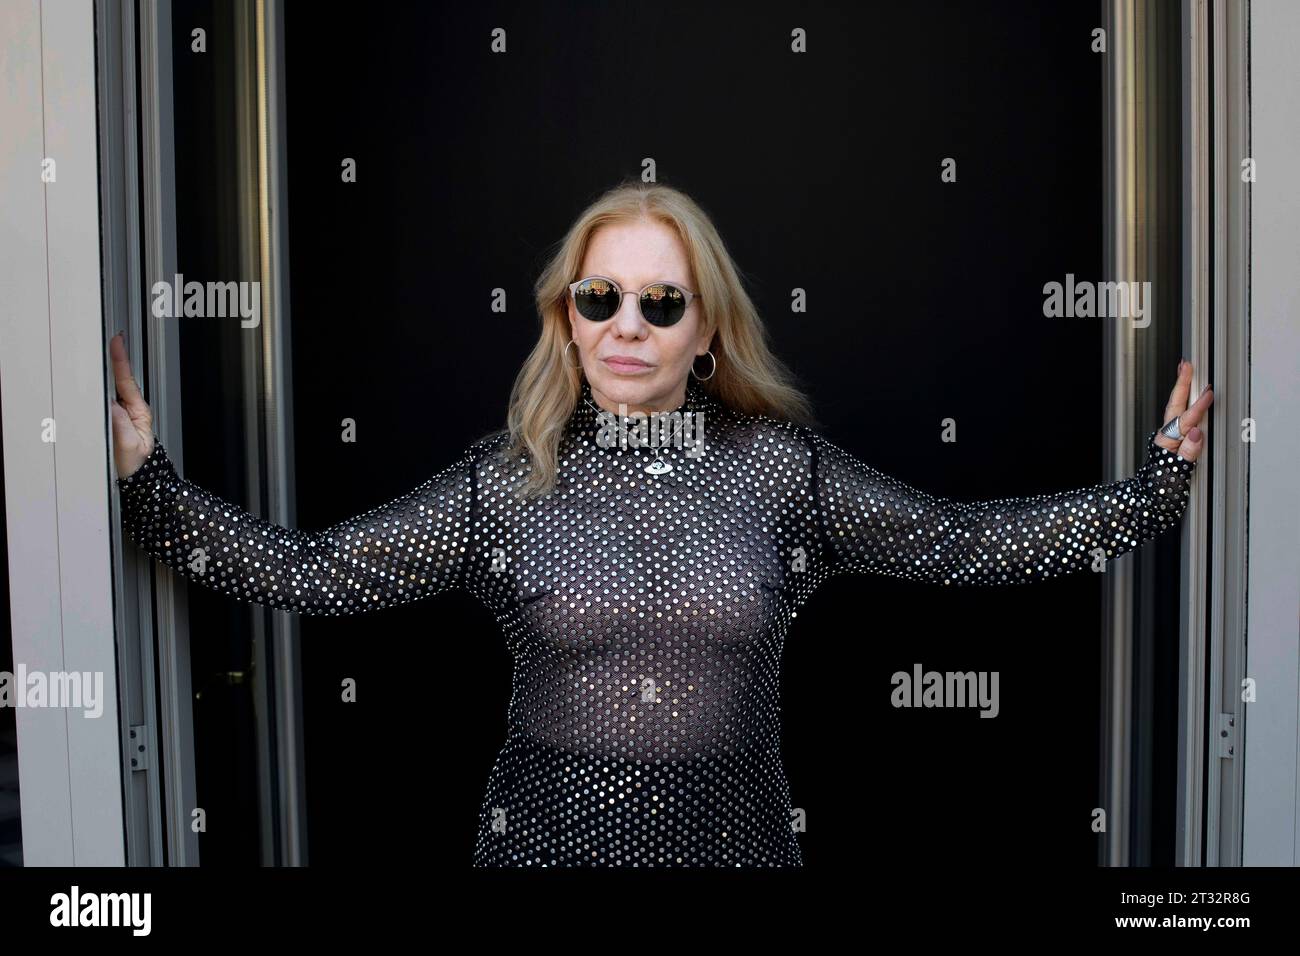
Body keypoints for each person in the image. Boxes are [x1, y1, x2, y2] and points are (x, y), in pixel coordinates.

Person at [111, 182, 1213, 867]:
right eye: (599, 299)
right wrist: (143, 475)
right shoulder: (503, 486)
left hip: (735, 850)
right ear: (567, 322)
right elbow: (314, 573)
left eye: (660, 301)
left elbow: (965, 542)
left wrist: (1156, 484)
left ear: (707, 334)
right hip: (543, 849)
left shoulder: (784, 474)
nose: (625, 323)